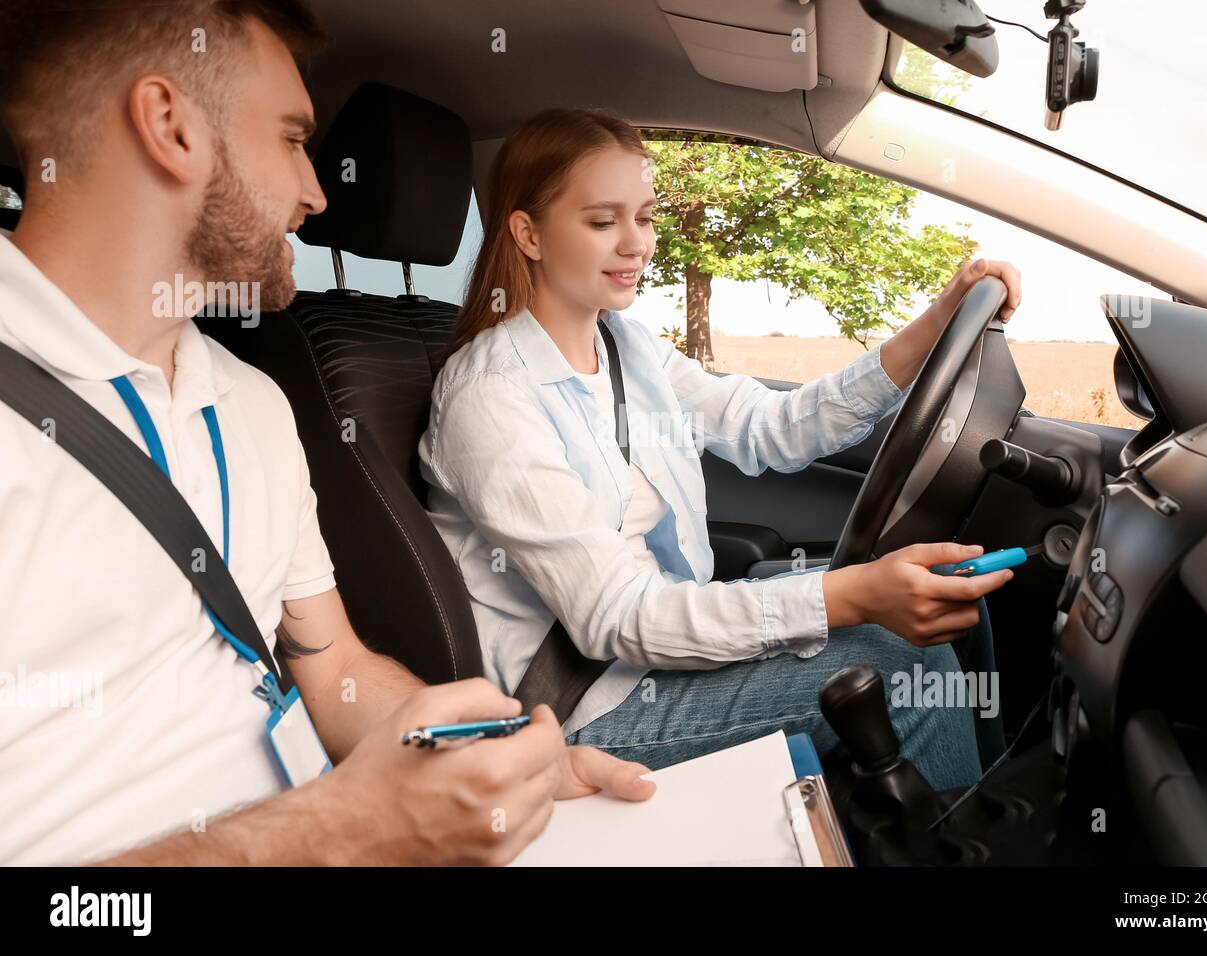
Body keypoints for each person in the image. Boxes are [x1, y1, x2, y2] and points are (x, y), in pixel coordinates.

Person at [0, 0, 653, 867]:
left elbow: (332, 663)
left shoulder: (253, 403)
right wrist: (335, 831)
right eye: (291, 139)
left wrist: (500, 760)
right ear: (170, 127)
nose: (315, 191)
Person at [421, 108, 1024, 787]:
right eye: (602, 222)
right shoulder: (490, 396)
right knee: (906, 665)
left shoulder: (628, 347)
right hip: (585, 708)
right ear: (529, 234)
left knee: (954, 611)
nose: (636, 244)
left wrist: (940, 318)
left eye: (645, 218)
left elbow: (780, 428)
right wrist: (850, 597)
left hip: (666, 643)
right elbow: (616, 619)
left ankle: (992, 812)